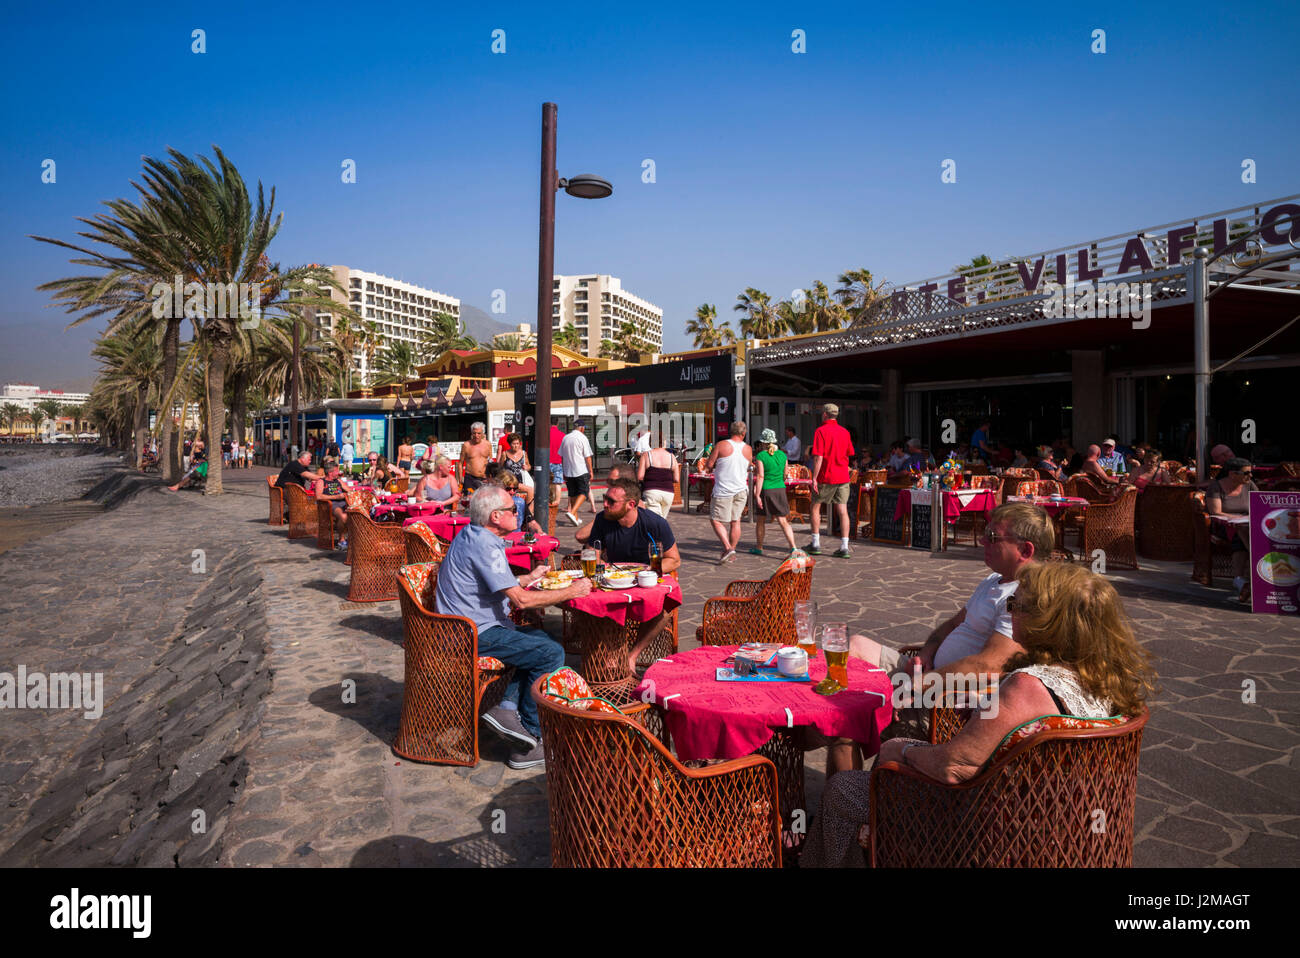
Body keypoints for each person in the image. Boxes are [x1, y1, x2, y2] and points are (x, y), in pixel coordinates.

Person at [800, 561, 1156, 867]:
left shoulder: (1029, 686)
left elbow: (954, 767)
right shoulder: (1106, 681)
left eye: (1018, 604)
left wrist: (902, 751)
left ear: (1048, 621)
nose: (1011, 611)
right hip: (1060, 823)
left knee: (845, 788)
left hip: (989, 830)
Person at [836, 502, 1055, 775]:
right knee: (854, 646)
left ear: (1025, 550)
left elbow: (990, 666)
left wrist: (919, 686)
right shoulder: (993, 581)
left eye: (993, 537)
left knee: (852, 713)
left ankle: (852, 789)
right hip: (928, 676)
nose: (982, 540)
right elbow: (952, 625)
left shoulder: (1022, 597)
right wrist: (927, 653)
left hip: (947, 699)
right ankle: (847, 765)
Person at [436, 485, 591, 769]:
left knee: (537, 639)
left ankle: (506, 709)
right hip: (470, 633)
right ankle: (530, 739)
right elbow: (520, 601)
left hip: (465, 626)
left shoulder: (473, 535)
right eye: (512, 509)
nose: (517, 512)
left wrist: (528, 576)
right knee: (549, 652)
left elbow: (497, 584)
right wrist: (572, 592)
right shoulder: (485, 543)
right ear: (496, 516)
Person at [576, 477, 681, 670]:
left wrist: (646, 572)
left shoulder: (654, 523)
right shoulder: (602, 519)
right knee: (592, 602)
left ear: (631, 504)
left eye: (611, 501)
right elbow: (593, 555)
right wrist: (600, 569)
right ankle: (609, 653)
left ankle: (632, 656)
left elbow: (674, 559)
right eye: (605, 499)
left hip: (646, 581)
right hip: (615, 582)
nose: (605, 504)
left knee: (665, 610)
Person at [1205, 457, 1258, 603]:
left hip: (1246, 524)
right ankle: (1255, 572)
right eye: (1246, 473)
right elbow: (1216, 512)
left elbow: (1259, 505)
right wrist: (1237, 519)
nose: (1250, 476)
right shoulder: (1216, 487)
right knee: (1240, 533)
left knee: (1246, 532)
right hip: (1222, 525)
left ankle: (1241, 581)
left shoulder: (1250, 485)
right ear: (1232, 474)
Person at [808, 404, 855, 558]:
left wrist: (814, 477)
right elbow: (848, 454)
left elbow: (818, 457)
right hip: (842, 476)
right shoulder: (845, 432)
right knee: (842, 510)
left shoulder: (820, 431)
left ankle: (815, 543)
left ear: (825, 414)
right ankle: (844, 546)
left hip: (826, 476)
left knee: (815, 507)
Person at [703, 421, 752, 563]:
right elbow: (748, 464)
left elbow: (709, 464)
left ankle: (728, 548)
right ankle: (731, 551)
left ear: (730, 432)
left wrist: (712, 467)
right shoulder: (748, 449)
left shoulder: (721, 445)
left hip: (723, 490)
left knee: (716, 520)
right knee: (736, 521)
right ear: (743, 434)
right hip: (741, 489)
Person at [752, 427, 797, 555]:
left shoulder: (761, 455)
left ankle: (759, 547)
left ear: (763, 443)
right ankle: (793, 546)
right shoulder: (783, 455)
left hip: (766, 489)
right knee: (783, 520)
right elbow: (785, 473)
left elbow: (760, 476)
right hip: (780, 488)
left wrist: (757, 494)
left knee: (761, 520)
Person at [559, 419, 595, 526]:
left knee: (573, 494)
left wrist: (564, 471)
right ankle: (572, 512)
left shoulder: (566, 437)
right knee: (584, 492)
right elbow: (587, 457)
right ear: (582, 428)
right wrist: (591, 471)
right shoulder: (582, 438)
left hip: (568, 470)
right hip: (580, 470)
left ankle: (575, 518)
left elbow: (562, 456)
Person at [637, 434, 679, 519]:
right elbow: (676, 479)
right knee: (661, 521)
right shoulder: (672, 457)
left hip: (651, 492)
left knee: (654, 522)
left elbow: (640, 477)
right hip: (668, 493)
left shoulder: (646, 455)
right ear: (664, 442)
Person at [313, 458, 349, 548]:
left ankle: (356, 538)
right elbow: (319, 496)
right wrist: (336, 497)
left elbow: (350, 491)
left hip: (344, 503)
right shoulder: (321, 482)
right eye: (337, 471)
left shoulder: (338, 481)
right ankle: (342, 539)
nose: (338, 472)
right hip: (330, 505)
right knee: (343, 516)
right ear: (330, 472)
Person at [459, 422, 493, 497]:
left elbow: (490, 462)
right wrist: (460, 478)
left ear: (483, 434)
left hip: (484, 478)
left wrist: (490, 477)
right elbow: (460, 463)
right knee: (469, 501)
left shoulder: (488, 444)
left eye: (479, 433)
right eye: (474, 433)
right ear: (471, 433)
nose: (476, 436)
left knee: (484, 500)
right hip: (470, 478)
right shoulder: (466, 445)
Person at [548, 422, 566, 507]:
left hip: (547, 461)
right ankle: (557, 501)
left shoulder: (546, 434)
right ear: (557, 423)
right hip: (558, 461)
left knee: (547, 482)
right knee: (558, 483)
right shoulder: (562, 435)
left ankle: (549, 499)